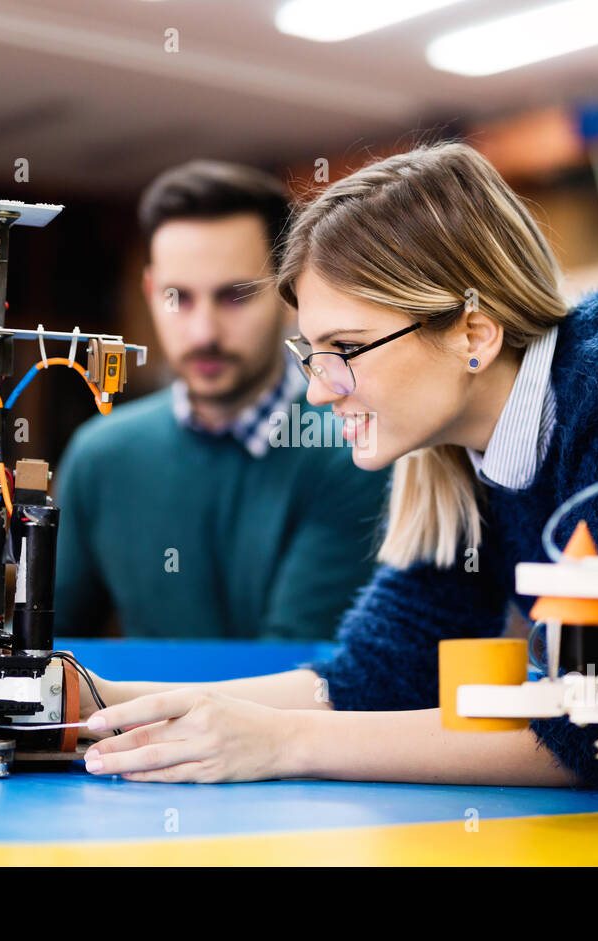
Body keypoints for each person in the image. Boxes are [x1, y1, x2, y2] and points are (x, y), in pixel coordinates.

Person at [67, 141, 598, 789]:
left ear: (473, 334)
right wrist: (102, 701)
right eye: (311, 353)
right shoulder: (462, 452)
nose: (319, 389)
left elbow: (591, 731)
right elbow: (379, 673)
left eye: (345, 351)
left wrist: (281, 742)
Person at [53, 160, 388, 639]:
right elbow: (51, 648)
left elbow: (298, 668)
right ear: (150, 292)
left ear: (289, 293)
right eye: (178, 298)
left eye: (234, 296)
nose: (203, 332)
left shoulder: (353, 450)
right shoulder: (100, 455)